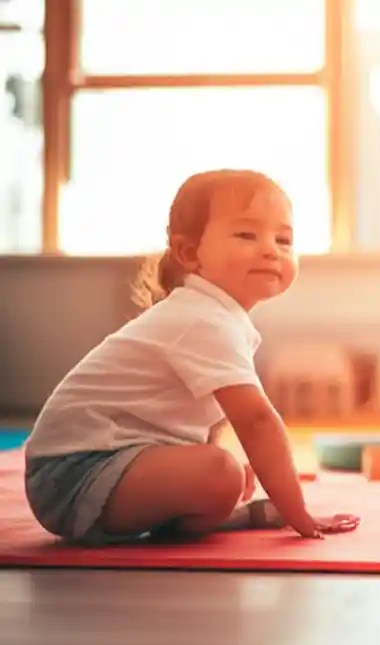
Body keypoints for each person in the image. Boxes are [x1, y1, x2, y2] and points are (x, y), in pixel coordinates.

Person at [24, 170, 359, 545]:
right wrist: (299, 514)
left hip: (106, 464)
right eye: (247, 235)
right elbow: (258, 421)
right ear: (190, 253)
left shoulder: (218, 317)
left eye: (284, 239)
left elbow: (207, 421)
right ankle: (225, 515)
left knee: (220, 470)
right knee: (221, 472)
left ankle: (221, 514)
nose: (270, 249)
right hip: (73, 476)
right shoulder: (203, 319)